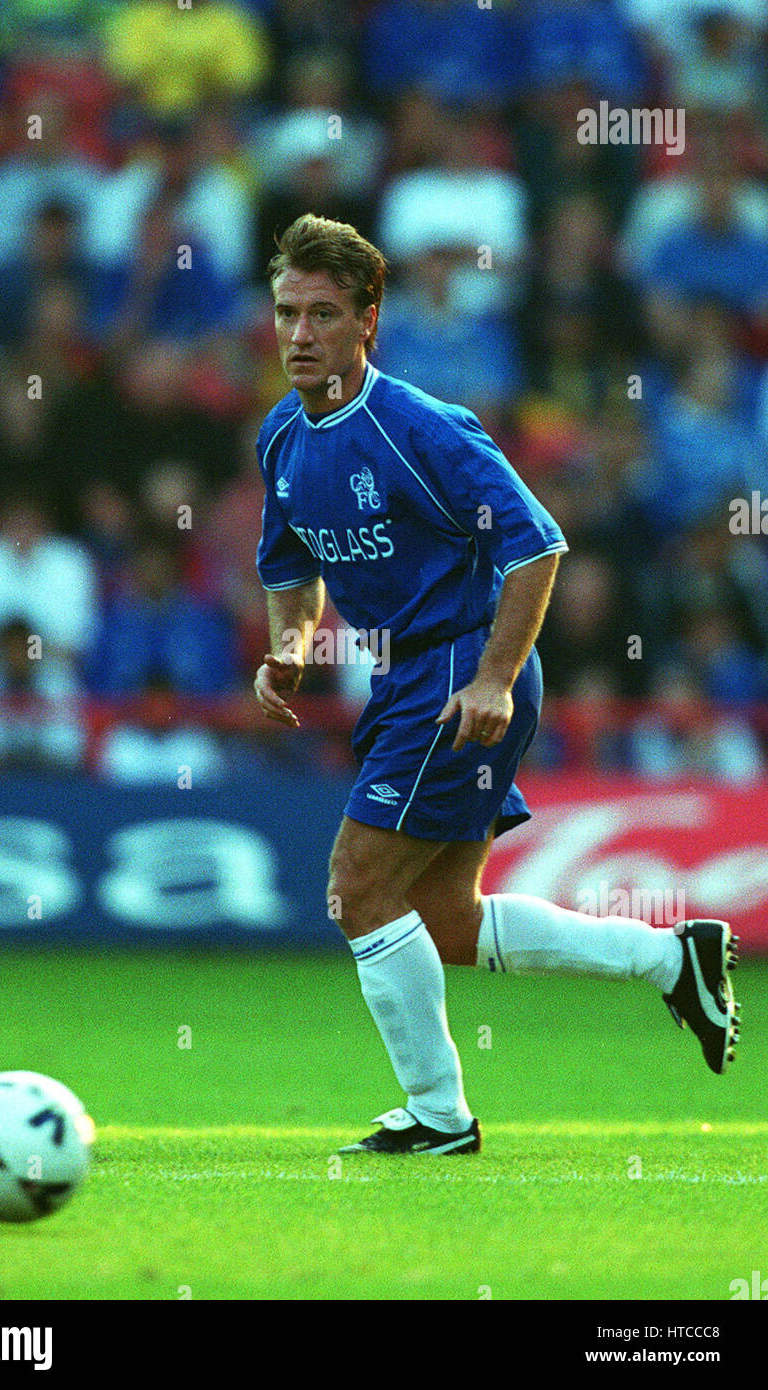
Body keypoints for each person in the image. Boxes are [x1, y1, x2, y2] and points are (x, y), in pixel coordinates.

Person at [253, 215, 740, 1157]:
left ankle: (438, 1117)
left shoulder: (419, 429)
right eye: (285, 312)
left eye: (322, 314)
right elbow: (288, 567)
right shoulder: (281, 435)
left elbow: (539, 543)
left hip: (455, 671)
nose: (299, 334)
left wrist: (492, 680)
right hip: (404, 678)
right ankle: (667, 956)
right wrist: (291, 642)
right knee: (440, 919)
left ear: (368, 324)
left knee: (356, 890)